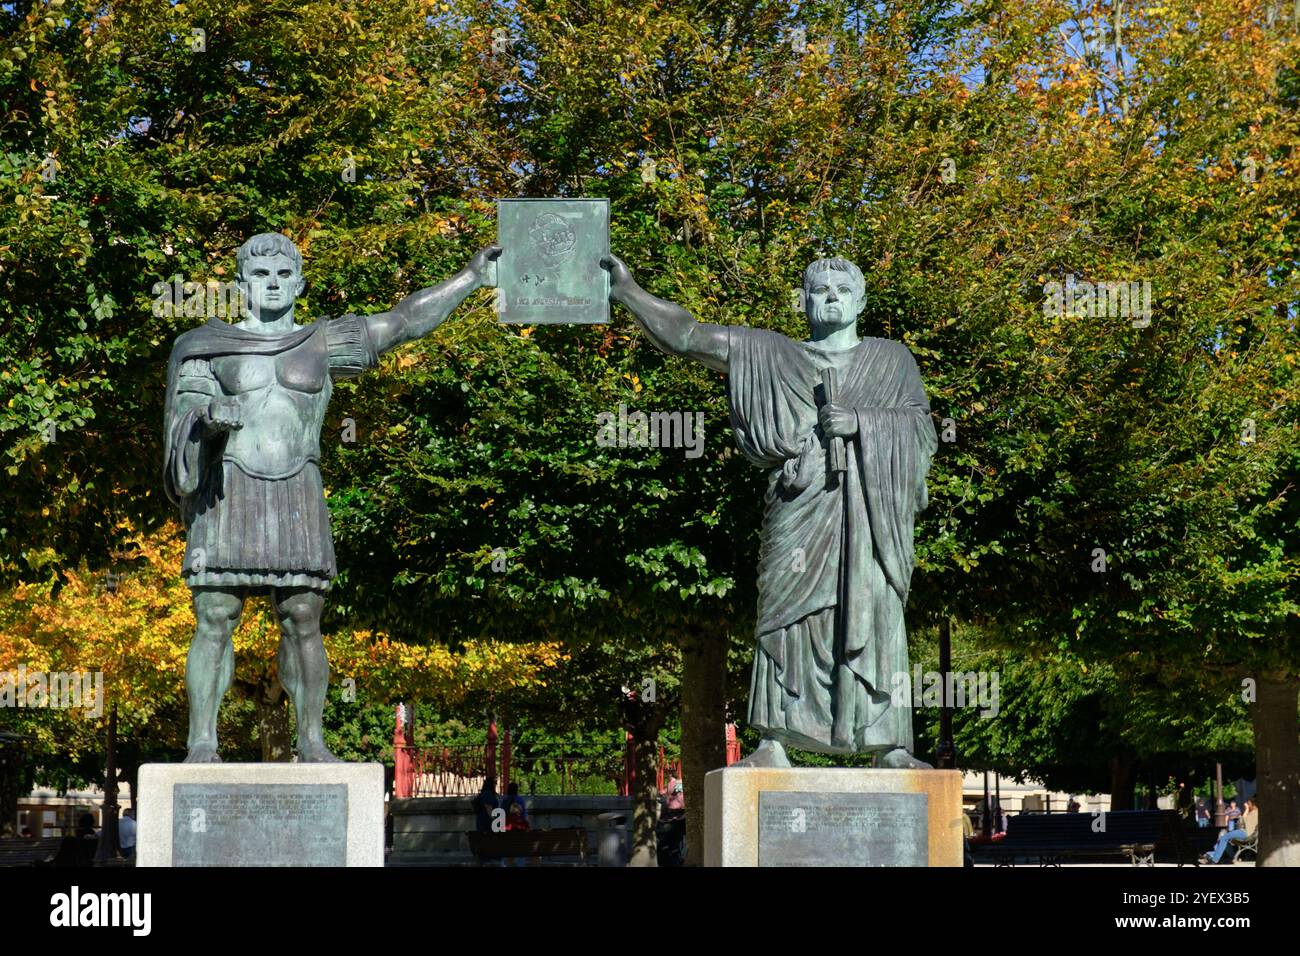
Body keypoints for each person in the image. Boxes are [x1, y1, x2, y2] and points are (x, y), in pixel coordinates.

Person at [164, 233, 501, 762]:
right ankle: (202, 742)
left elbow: (403, 321)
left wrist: (470, 278)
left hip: (298, 488)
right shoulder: (209, 345)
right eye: (260, 275)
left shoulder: (323, 341)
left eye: (281, 275)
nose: (272, 284)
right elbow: (187, 412)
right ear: (240, 285)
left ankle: (312, 741)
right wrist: (208, 418)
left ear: (298, 283)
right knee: (214, 615)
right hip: (229, 490)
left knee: (302, 617)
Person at [604, 253, 936, 768]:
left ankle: (888, 742)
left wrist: (863, 423)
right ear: (802, 301)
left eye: (842, 289)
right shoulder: (769, 353)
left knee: (875, 610)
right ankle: (773, 742)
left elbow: (922, 432)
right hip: (798, 510)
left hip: (869, 517)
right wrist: (627, 291)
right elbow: (688, 336)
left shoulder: (891, 361)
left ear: (862, 300)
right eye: (820, 289)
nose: (831, 296)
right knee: (785, 618)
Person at [1201, 798, 1257, 864]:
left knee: (1224, 837)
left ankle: (1213, 859)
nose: (1247, 805)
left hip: (1246, 833)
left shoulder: (1254, 812)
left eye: (1248, 803)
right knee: (1224, 837)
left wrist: (1247, 809)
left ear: (1252, 804)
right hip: (1246, 832)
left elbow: (1241, 821)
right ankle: (1211, 855)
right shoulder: (1255, 812)